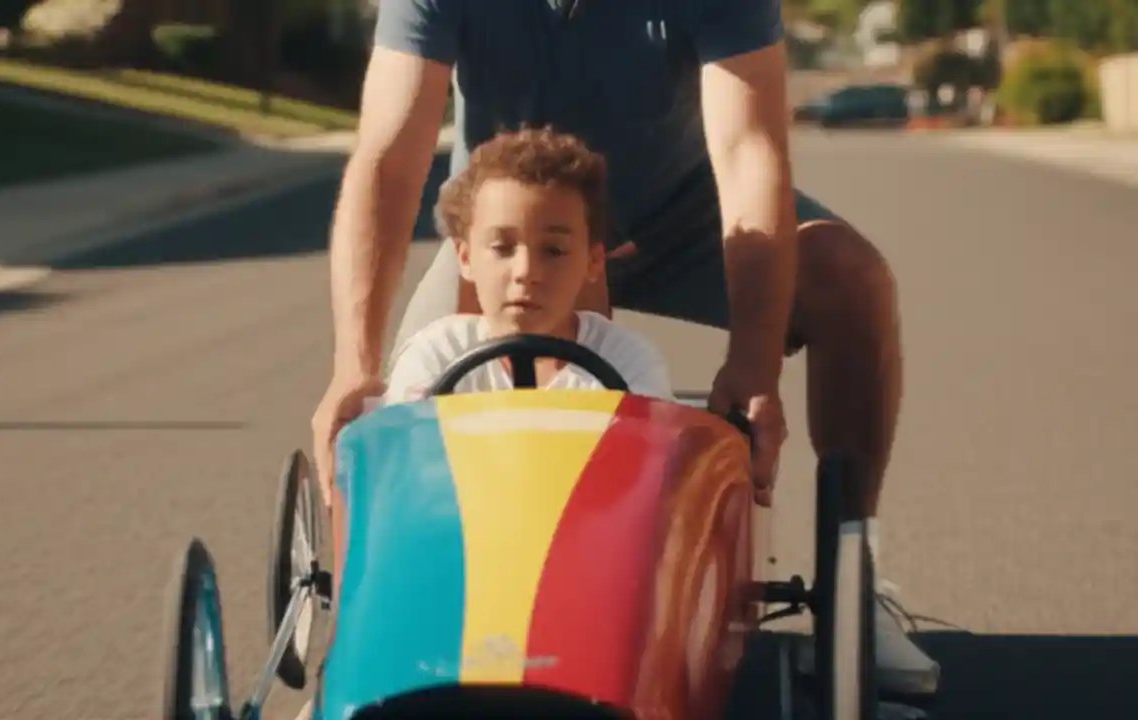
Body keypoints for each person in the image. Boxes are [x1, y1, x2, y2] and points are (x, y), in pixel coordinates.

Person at [310, 0, 939, 697]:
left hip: (688, 214)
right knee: (409, 423)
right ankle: (377, 640)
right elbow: (391, 154)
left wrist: (755, 364)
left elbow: (748, 149)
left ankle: (854, 581)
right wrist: (354, 363)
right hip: (523, 233)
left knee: (851, 278)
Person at [383, 126, 674, 404]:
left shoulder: (626, 364)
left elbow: (653, 449)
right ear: (466, 258)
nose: (525, 272)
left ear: (592, 261)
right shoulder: (437, 355)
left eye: (553, 250)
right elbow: (402, 448)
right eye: (502, 248)